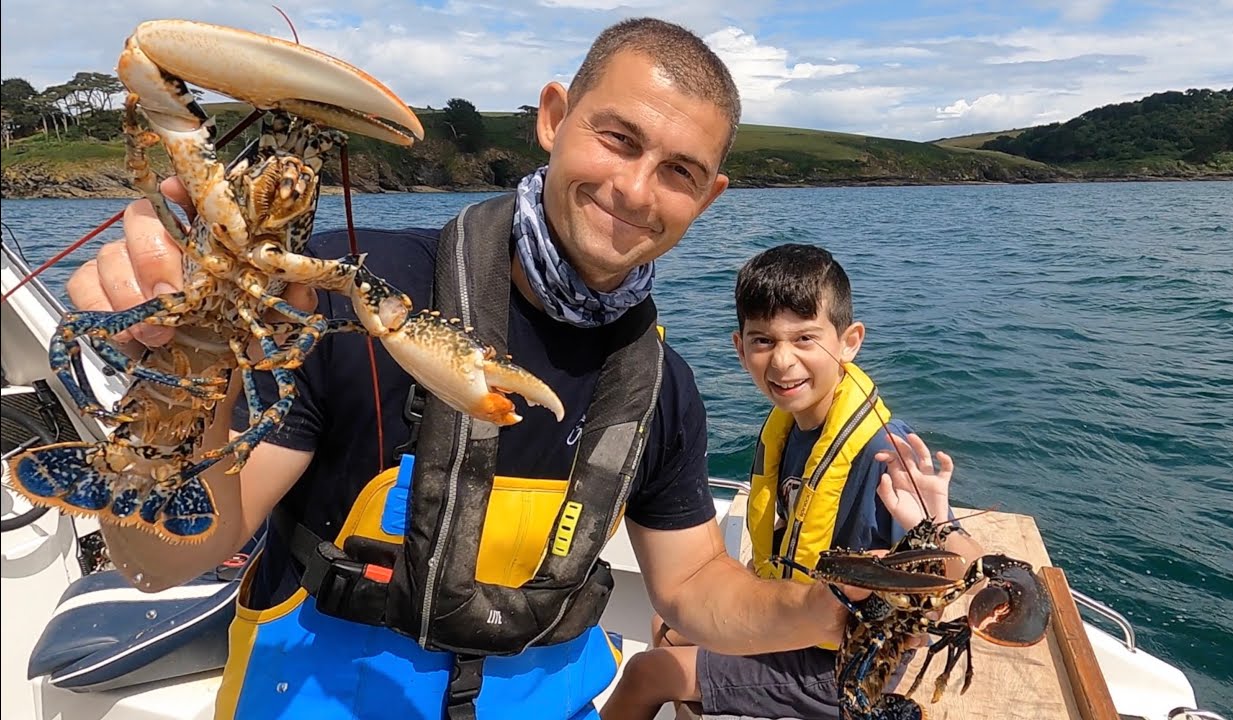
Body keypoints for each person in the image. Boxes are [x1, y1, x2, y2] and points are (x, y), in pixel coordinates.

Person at [66, 18, 882, 720]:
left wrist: (831, 608)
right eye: (618, 138)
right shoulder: (347, 288)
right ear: (553, 118)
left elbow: (694, 584)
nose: (636, 189)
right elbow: (158, 561)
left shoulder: (661, 384)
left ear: (708, 198)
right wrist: (182, 367)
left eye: (680, 172)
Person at [599, 244, 984, 720]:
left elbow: (962, 571)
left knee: (647, 672)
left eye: (805, 339)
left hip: (848, 665)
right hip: (797, 621)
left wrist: (940, 525)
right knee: (666, 623)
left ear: (849, 341)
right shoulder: (793, 431)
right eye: (763, 340)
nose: (782, 361)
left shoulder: (887, 454)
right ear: (740, 348)